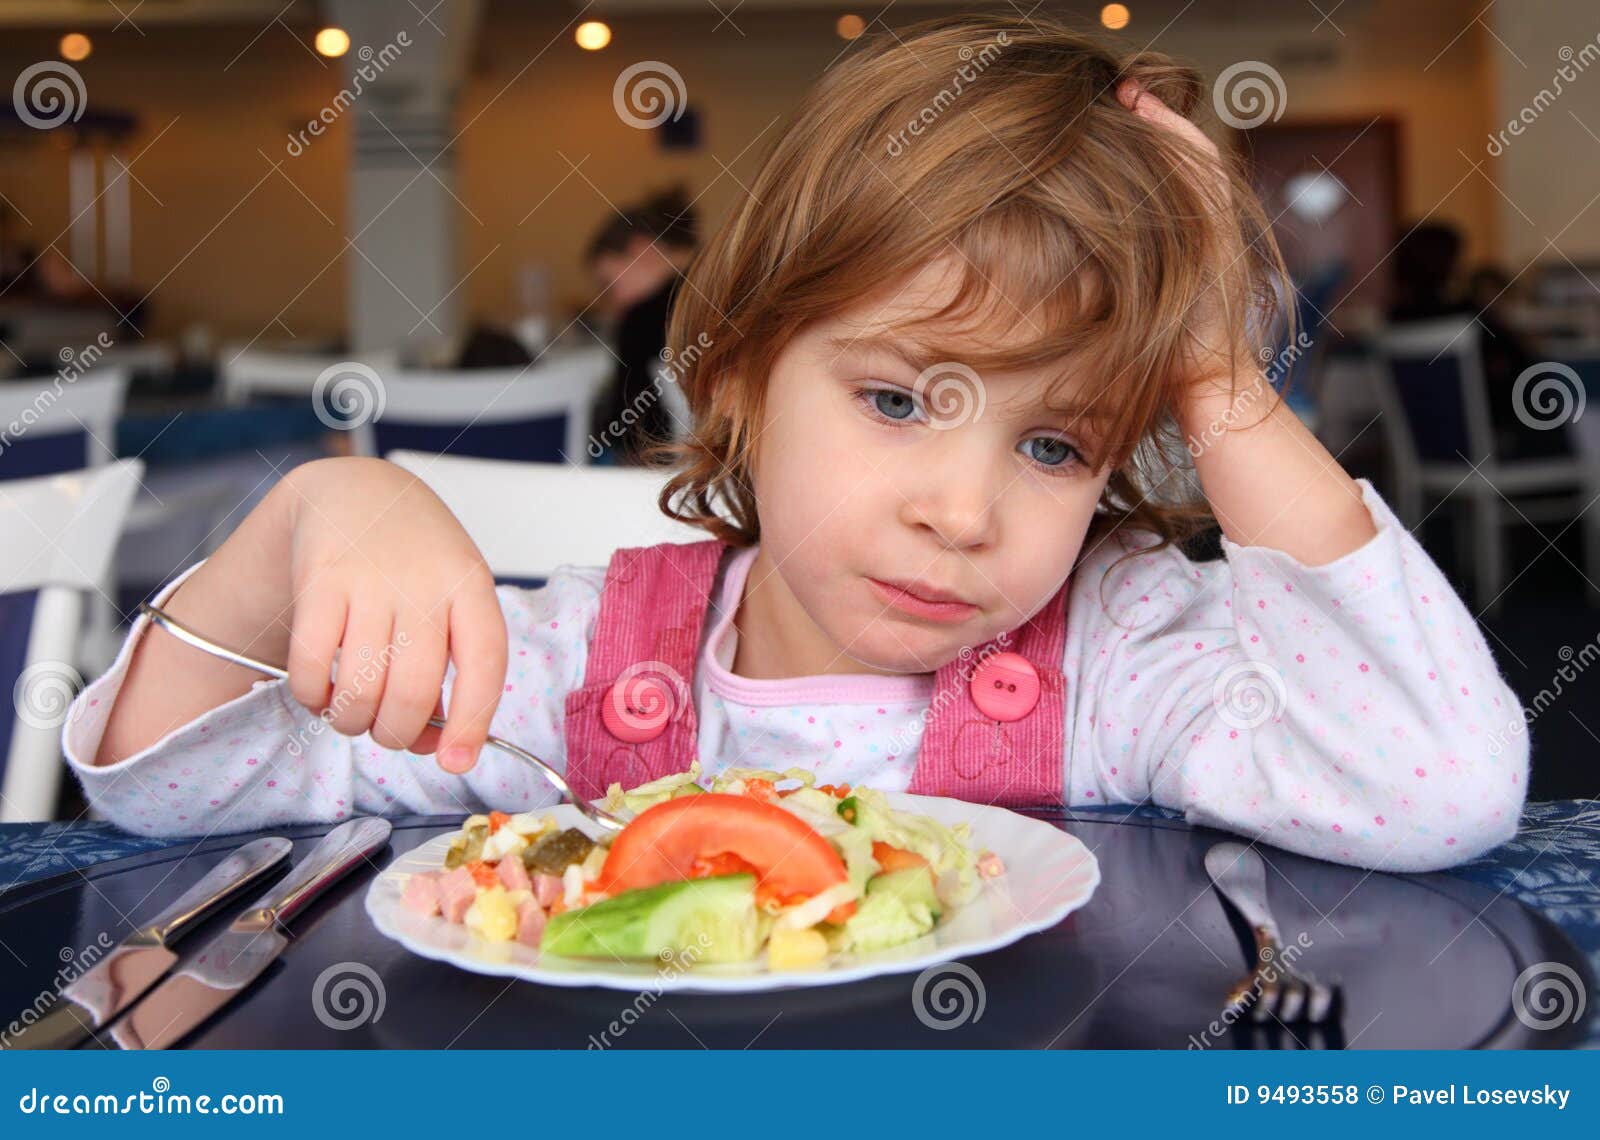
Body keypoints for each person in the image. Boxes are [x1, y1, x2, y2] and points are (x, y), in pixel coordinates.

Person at [70, 14, 1525, 873]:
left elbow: (1438, 782)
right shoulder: (568, 677)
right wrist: (309, 521)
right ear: (743, 381)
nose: (963, 513)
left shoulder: (1120, 667)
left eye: (1056, 447)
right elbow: (165, 791)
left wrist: (1220, 385)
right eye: (897, 401)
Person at [1388, 222, 1571, 460]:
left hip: (1431, 450)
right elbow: (1520, 358)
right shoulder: (1468, 315)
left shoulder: (1394, 321)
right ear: (1451, 264)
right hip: (1498, 444)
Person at [584, 186, 698, 464]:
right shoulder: (720, 286)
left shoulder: (641, 320)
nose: (614, 303)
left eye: (609, 286)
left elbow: (631, 432)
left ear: (640, 249)